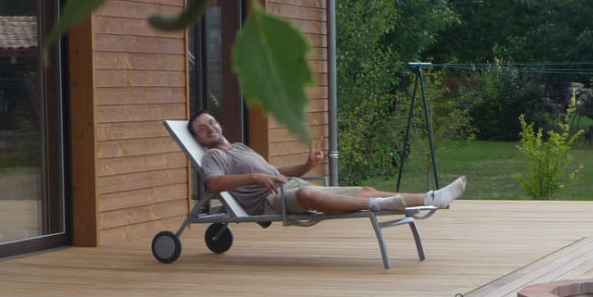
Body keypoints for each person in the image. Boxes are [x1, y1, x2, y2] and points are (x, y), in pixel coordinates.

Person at [189, 111, 467, 218]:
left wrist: (306, 165)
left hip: (289, 185)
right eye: (202, 129)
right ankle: (381, 205)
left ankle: (432, 198)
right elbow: (213, 184)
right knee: (307, 194)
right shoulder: (213, 157)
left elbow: (273, 173)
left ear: (219, 123)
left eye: (211, 122)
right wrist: (253, 177)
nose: (210, 128)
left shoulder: (239, 147)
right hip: (269, 201)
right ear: (199, 140)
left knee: (364, 190)